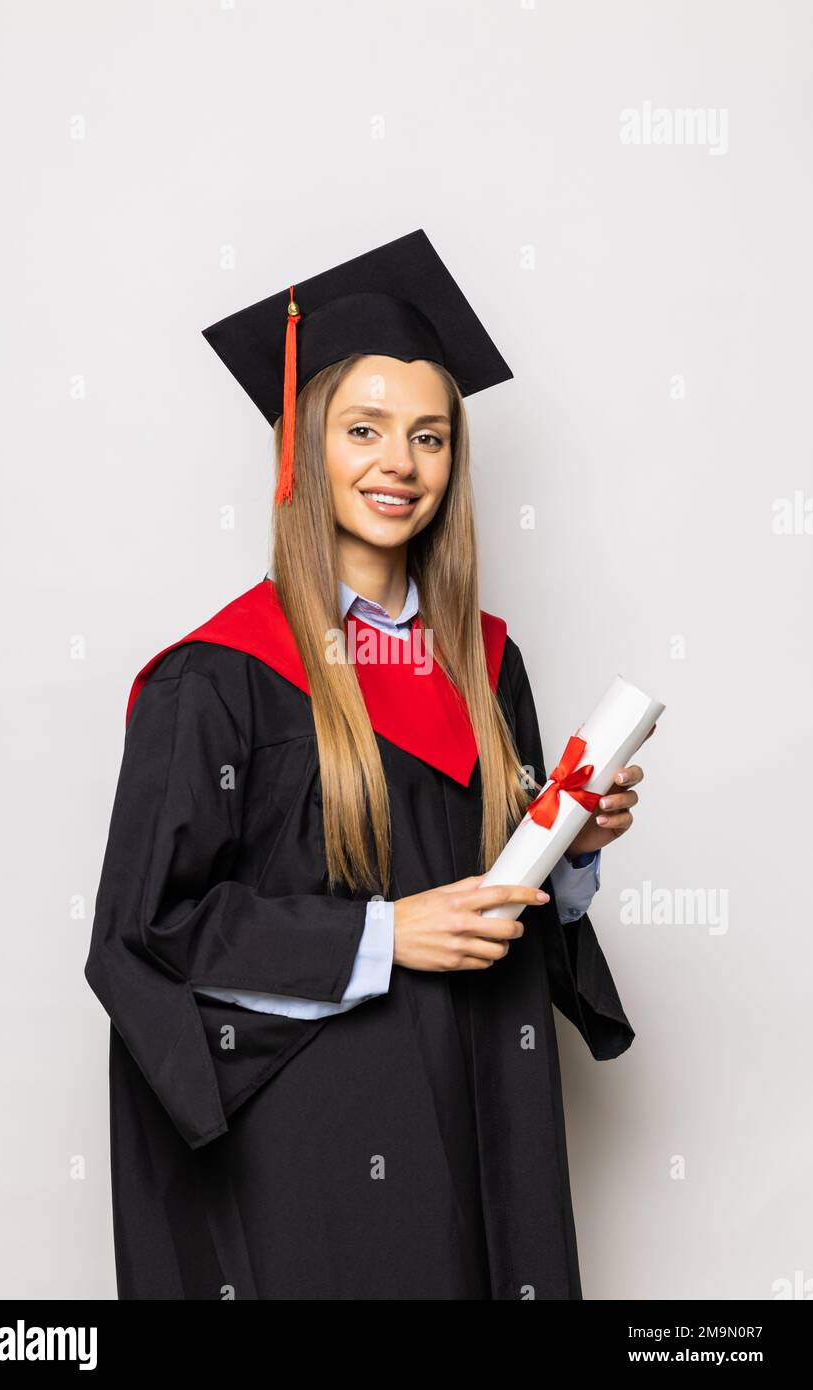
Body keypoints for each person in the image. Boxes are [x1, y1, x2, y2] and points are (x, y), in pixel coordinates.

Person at [84, 228, 647, 1300]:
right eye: (366, 428)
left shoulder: (487, 664)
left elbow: (503, 905)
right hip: (317, 1143)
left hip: (485, 1104)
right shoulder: (221, 675)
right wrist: (385, 934)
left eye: (430, 436)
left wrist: (570, 843)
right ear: (303, 447)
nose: (401, 462)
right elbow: (144, 933)